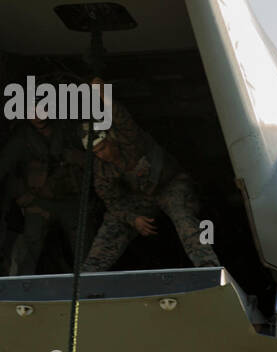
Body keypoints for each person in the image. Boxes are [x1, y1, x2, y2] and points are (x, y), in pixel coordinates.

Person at [80, 84, 218, 273]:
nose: (101, 154)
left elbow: (120, 117)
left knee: (183, 215)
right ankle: (89, 276)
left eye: (102, 148)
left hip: (170, 185)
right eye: (95, 152)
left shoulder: (130, 139)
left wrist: (102, 93)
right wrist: (133, 218)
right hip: (140, 196)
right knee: (112, 224)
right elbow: (112, 201)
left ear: (111, 139)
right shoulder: (101, 168)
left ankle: (208, 268)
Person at [0, 108, 87, 275]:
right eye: (33, 112)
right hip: (39, 201)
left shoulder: (67, 130)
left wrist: (73, 157)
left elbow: (91, 157)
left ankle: (89, 283)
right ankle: (23, 283)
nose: (38, 116)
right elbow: (4, 162)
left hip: (71, 199)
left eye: (43, 110)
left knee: (82, 242)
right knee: (31, 243)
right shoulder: (23, 137)